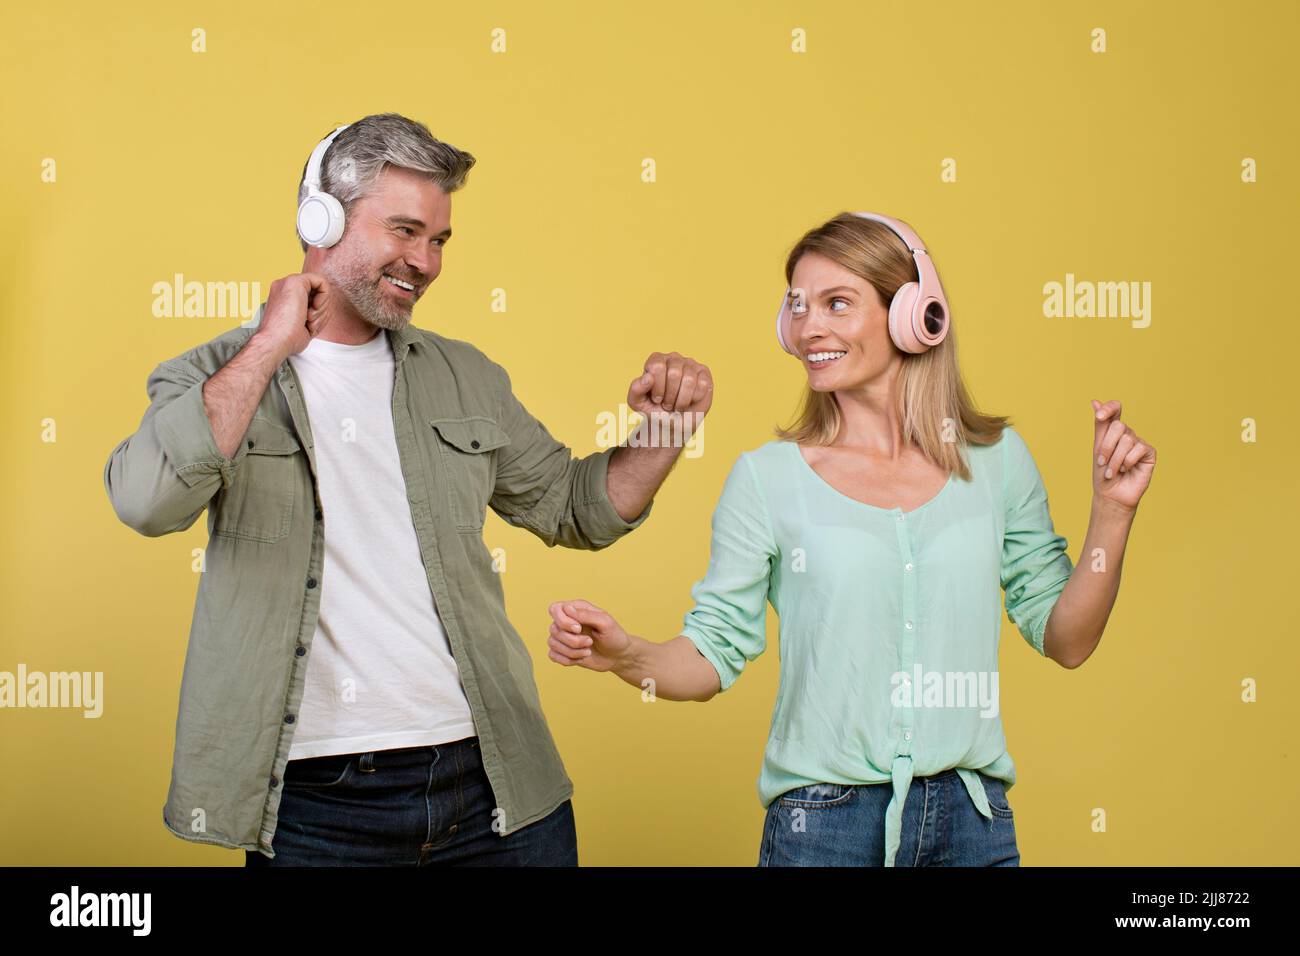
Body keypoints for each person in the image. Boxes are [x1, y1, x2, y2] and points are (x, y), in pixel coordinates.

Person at [102, 112, 713, 866]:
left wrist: (665, 431)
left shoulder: (466, 376)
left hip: (493, 784)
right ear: (320, 218)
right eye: (404, 231)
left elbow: (576, 507)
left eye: (439, 240)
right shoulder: (213, 375)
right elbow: (145, 500)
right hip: (312, 807)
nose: (425, 261)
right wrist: (269, 344)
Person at [546, 211, 1155, 866]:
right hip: (823, 829)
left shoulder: (997, 460)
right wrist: (627, 655)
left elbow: (1067, 640)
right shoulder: (766, 479)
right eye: (798, 306)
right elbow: (712, 655)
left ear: (916, 314)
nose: (810, 327)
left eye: (837, 303)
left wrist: (1112, 513)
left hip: (972, 824)